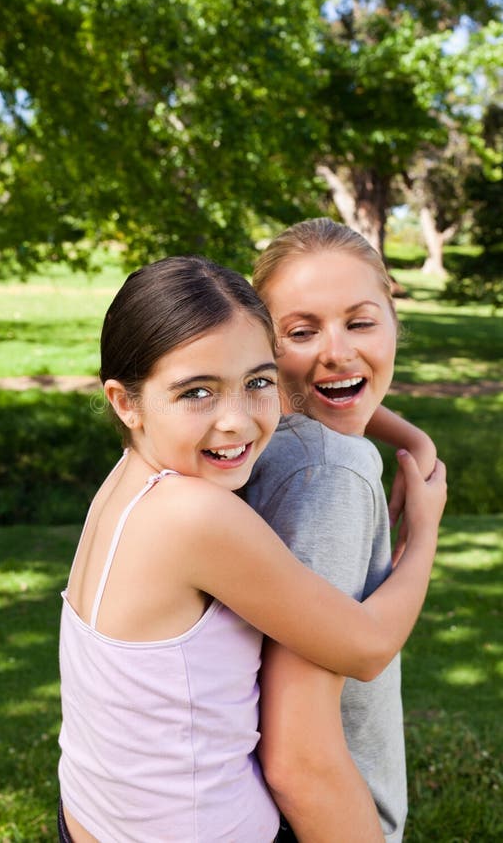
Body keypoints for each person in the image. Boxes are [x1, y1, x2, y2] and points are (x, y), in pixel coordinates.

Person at [57, 254, 446, 843]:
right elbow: (366, 648)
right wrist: (424, 532)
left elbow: (282, 388)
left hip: (91, 820)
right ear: (124, 401)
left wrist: (410, 436)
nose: (237, 421)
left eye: (257, 382)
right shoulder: (197, 516)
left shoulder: (129, 483)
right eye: (197, 393)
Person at [246, 217, 433, 842]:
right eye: (302, 331)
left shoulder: (254, 435)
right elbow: (297, 759)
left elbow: (335, 390)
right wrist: (423, 532)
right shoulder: (331, 475)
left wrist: (411, 437)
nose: (337, 351)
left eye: (359, 322)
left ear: (392, 322)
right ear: (263, 350)